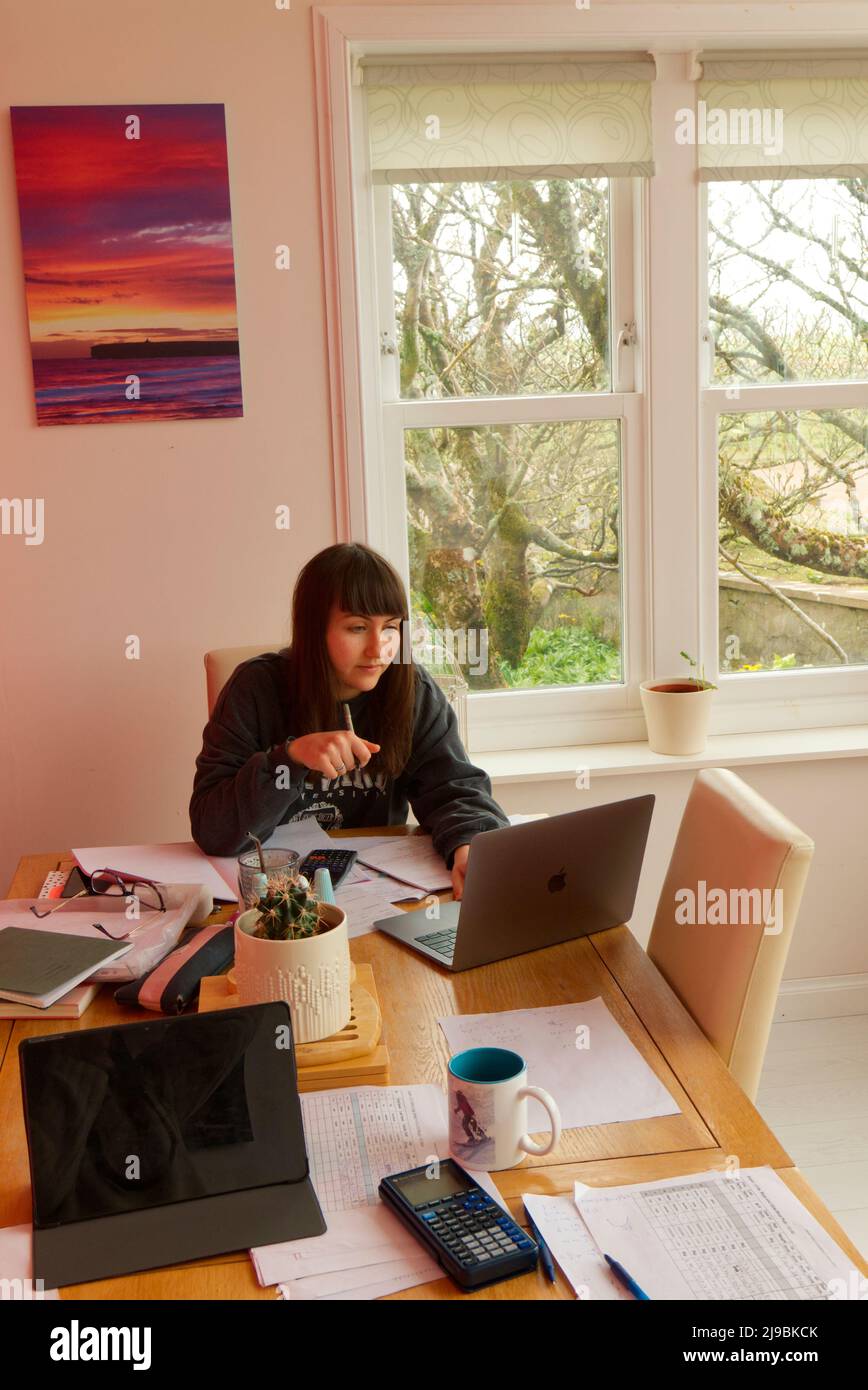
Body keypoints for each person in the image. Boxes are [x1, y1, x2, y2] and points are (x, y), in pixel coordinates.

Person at [190, 542, 510, 900]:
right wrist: (290, 758)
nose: (379, 648)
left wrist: (467, 844)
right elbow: (214, 831)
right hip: (281, 903)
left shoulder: (412, 690)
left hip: (381, 894)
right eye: (357, 628)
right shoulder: (255, 689)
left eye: (390, 628)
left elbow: (454, 790)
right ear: (315, 630)